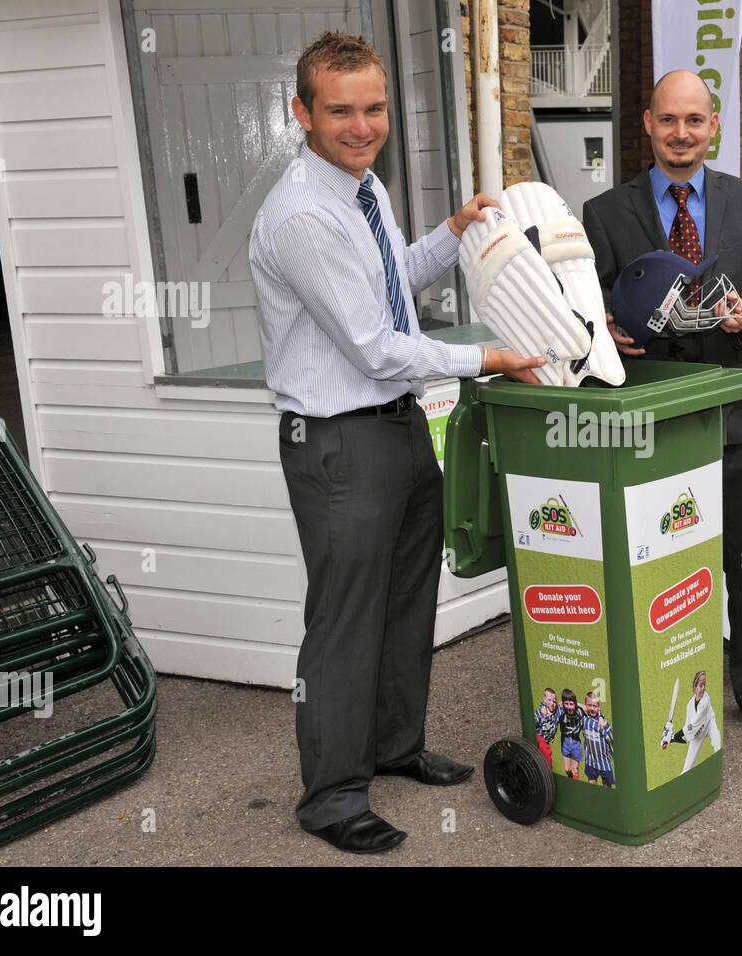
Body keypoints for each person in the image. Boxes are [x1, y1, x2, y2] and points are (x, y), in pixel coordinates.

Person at [250, 31, 544, 855]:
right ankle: (332, 796)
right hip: (342, 443)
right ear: (301, 111)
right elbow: (375, 345)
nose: (361, 124)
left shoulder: (361, 188)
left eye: (373, 107)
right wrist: (485, 357)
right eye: (339, 110)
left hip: (402, 426)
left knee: (410, 601)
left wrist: (450, 233)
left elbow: (389, 282)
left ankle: (393, 747)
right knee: (345, 622)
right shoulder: (304, 214)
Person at [582, 69, 742, 741]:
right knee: (661, 562)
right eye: (669, 120)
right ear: (647, 124)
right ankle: (664, 685)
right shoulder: (604, 213)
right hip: (655, 416)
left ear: (714, 127)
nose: (682, 134)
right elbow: (586, 309)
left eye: (695, 121)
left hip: (741, 411)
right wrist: (601, 333)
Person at [663, 669, 721, 775]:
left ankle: (717, 768)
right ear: (694, 688)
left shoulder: (705, 702)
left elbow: (692, 724)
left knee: (717, 739)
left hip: (709, 724)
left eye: (704, 685)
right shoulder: (689, 705)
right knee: (687, 768)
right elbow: (686, 735)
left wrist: (672, 736)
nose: (703, 688)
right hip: (697, 734)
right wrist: (670, 739)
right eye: (700, 686)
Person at [580, 692, 615, 788]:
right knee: (591, 784)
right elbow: (563, 704)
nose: (591, 708)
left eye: (594, 706)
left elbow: (611, 741)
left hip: (604, 762)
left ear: (599, 707)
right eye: (589, 705)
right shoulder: (584, 719)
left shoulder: (603, 724)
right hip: (591, 761)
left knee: (607, 786)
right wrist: (580, 705)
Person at [557, 688, 585, 779]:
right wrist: (561, 704)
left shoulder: (579, 712)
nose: (569, 707)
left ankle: (577, 785)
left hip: (576, 742)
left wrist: (579, 705)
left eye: (571, 704)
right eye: (566, 704)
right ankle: (571, 779)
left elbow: (588, 710)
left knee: (575, 769)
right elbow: (554, 708)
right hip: (565, 742)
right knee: (567, 769)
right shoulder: (561, 713)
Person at [534, 688, 559, 768]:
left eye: (554, 701)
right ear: (544, 699)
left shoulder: (557, 712)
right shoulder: (539, 714)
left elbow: (564, 704)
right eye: (549, 700)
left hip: (546, 743)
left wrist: (581, 706)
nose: (552, 703)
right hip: (540, 741)